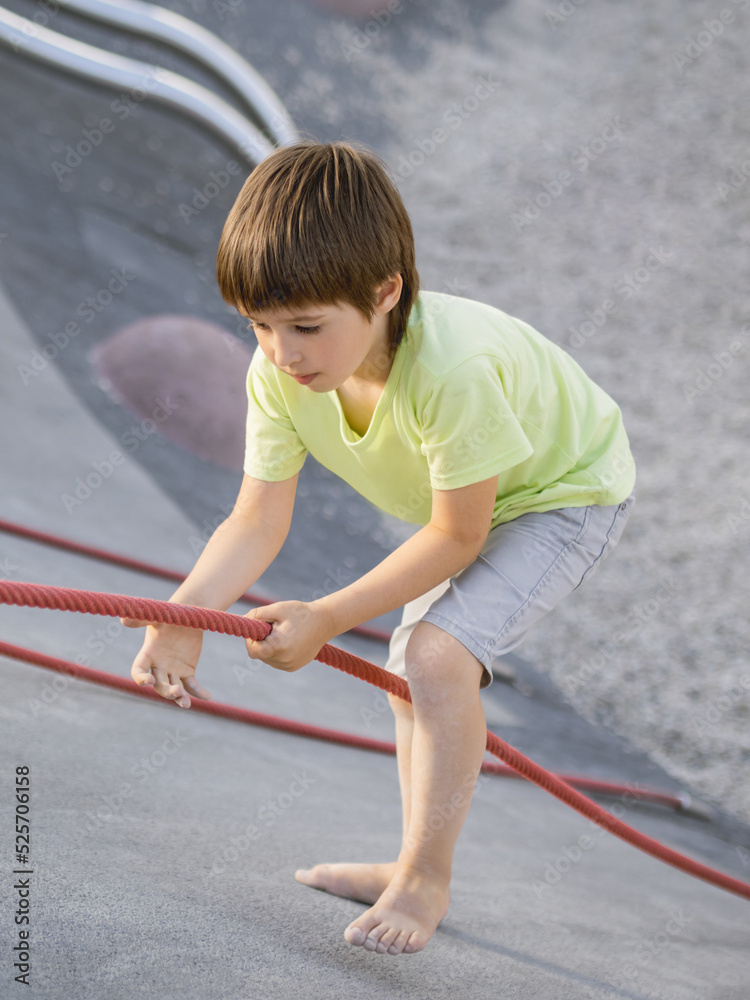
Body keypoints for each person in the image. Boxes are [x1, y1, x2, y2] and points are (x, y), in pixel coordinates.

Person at [126, 139, 636, 957]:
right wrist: (184, 614)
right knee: (412, 668)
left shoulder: (451, 372)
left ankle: (426, 880)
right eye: (257, 326)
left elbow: (459, 534)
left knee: (434, 659)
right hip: (481, 498)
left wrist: (325, 615)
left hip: (563, 494)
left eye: (304, 327)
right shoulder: (278, 376)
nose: (282, 354)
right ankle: (409, 862)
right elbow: (256, 519)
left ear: (386, 292)